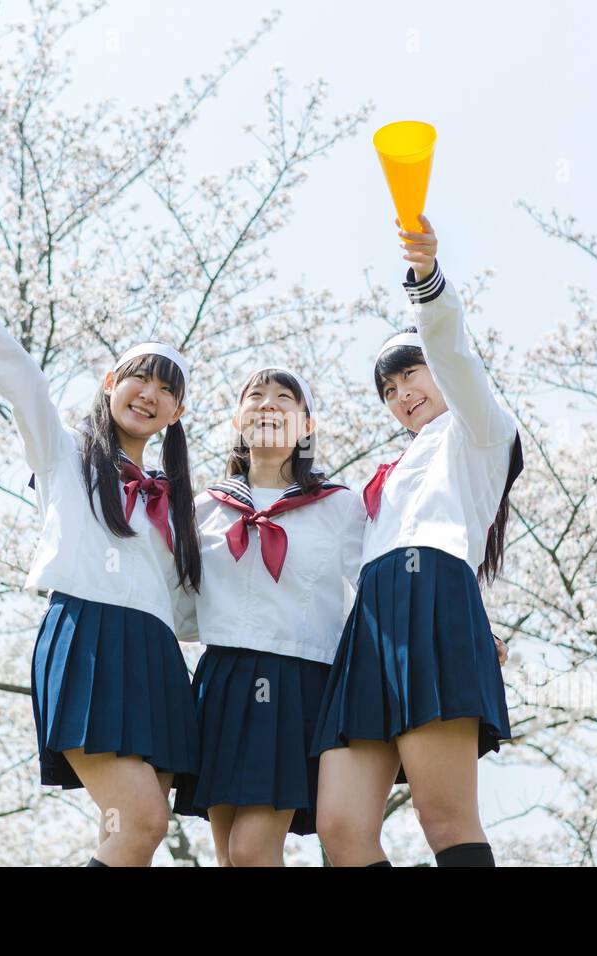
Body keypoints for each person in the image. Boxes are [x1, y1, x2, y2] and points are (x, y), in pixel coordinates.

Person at [0, 257, 202, 867]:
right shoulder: (65, 458)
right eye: (141, 378)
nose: (151, 394)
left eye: (167, 389)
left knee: (124, 836)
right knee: (142, 823)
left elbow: (204, 607)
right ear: (111, 380)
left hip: (158, 660)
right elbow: (23, 380)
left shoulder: (179, 507)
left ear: (177, 414)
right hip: (90, 639)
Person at [310, 214, 523, 867]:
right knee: (341, 831)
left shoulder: (479, 432)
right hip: (369, 623)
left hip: (432, 597)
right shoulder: (381, 484)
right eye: (390, 389)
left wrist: (427, 280)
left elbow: (454, 352)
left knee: (444, 817)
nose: (403, 394)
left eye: (412, 376)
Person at [168, 365, 366, 865]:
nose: (268, 404)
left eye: (285, 398)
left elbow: (378, 586)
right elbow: (181, 609)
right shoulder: (202, 510)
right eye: (255, 396)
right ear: (238, 419)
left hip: (294, 677)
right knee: (228, 857)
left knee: (252, 851)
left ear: (307, 427)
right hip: (220, 678)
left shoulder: (340, 507)